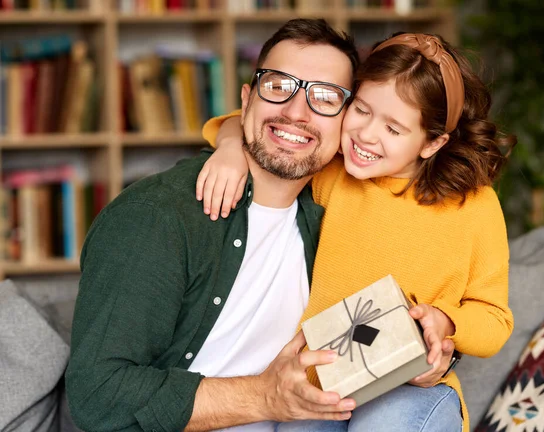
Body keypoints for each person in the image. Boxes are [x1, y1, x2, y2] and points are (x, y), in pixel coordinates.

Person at [65, 20, 455, 432]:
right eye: (277, 86)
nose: (296, 112)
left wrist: (436, 350)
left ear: (348, 121)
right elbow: (98, 396)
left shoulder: (338, 211)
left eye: (324, 98)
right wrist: (264, 396)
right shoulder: (156, 217)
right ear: (247, 99)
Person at [197, 32, 517, 432]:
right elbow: (243, 123)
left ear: (433, 143)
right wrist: (230, 148)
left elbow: (495, 319)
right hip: (321, 386)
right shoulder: (331, 166)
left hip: (407, 387)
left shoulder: (474, 204)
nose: (366, 135)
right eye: (361, 110)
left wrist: (446, 322)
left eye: (394, 129)